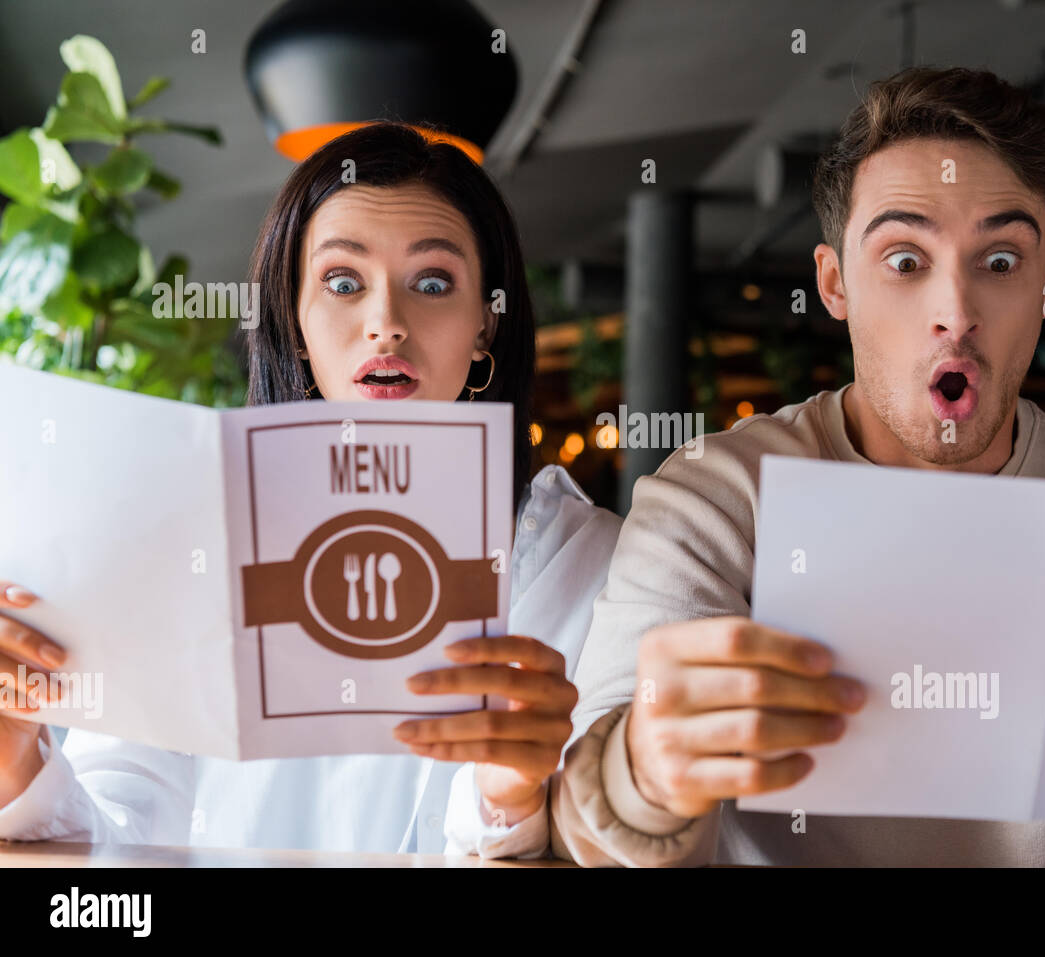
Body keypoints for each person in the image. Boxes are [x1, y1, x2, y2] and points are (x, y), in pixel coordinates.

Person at [546, 67, 1045, 866]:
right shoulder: (719, 498)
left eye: (1001, 261)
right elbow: (585, 820)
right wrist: (643, 774)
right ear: (836, 284)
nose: (957, 311)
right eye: (905, 261)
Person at [0, 122, 621, 859]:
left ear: (487, 323)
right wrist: (15, 764)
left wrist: (509, 796)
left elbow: (633, 840)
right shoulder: (188, 539)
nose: (386, 323)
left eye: (432, 282)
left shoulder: (589, 565)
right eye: (342, 281)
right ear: (293, 320)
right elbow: (120, 835)